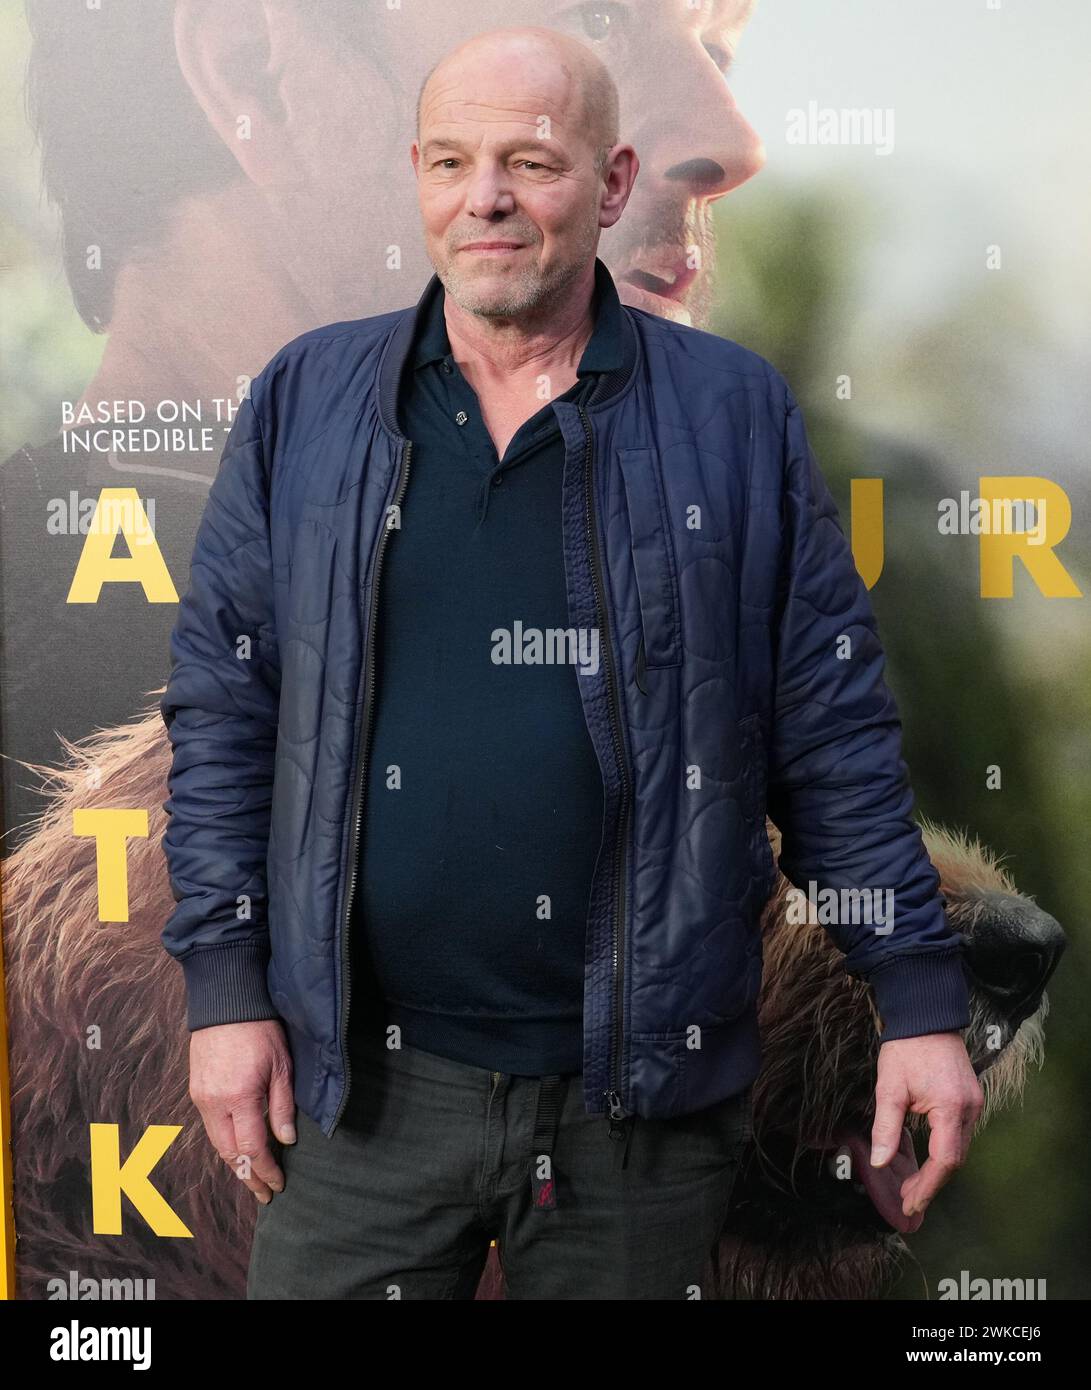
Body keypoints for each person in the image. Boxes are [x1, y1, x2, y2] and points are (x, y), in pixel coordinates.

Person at [159, 26, 984, 1300]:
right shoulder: (306, 401)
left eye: (529, 162)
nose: (481, 197)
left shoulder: (728, 413)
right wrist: (223, 991)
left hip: (636, 1117)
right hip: (366, 1098)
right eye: (449, 161)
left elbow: (828, 737)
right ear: (419, 178)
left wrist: (918, 1004)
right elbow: (223, 712)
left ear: (609, 185)